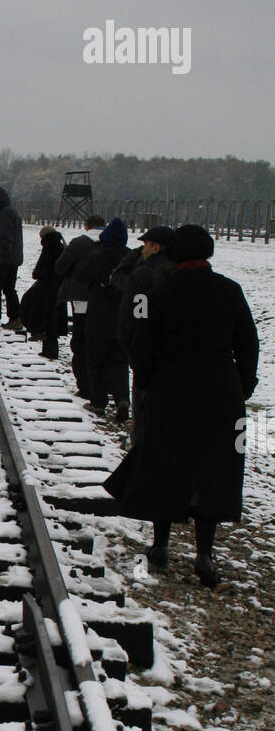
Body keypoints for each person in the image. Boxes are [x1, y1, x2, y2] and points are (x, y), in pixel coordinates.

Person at [104, 224, 259, 587]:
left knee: (165, 463)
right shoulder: (229, 291)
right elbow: (248, 343)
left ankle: (160, 546)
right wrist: (242, 385)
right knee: (213, 467)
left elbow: (143, 345)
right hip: (220, 392)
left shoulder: (161, 293)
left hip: (170, 389)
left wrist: (145, 379)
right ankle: (204, 553)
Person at [114, 226, 174, 438]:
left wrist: (133, 351)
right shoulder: (177, 273)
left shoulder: (145, 274)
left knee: (143, 415)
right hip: (173, 358)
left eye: (145, 245)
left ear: (156, 247)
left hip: (146, 355)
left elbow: (134, 317)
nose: (142, 249)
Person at [76, 217, 130, 419]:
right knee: (119, 360)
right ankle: (122, 398)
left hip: (98, 316)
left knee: (95, 359)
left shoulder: (97, 256)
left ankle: (98, 402)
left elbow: (80, 276)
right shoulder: (131, 257)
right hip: (122, 317)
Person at [55, 215, 106, 396]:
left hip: (81, 299)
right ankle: (104, 385)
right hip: (106, 302)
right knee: (102, 340)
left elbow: (60, 267)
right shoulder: (113, 242)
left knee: (80, 339)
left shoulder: (78, 243)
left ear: (86, 226)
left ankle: (85, 386)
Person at [0, 187, 24, 329]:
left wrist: (0, 257)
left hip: (4, 260)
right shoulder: (11, 212)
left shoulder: (6, 215)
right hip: (12, 259)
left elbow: (5, 238)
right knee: (9, 288)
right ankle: (15, 318)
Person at [25, 226, 67, 359]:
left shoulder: (50, 246)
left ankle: (50, 351)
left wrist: (36, 274)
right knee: (53, 319)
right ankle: (50, 350)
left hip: (48, 288)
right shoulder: (60, 245)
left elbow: (43, 266)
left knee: (48, 319)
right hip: (58, 288)